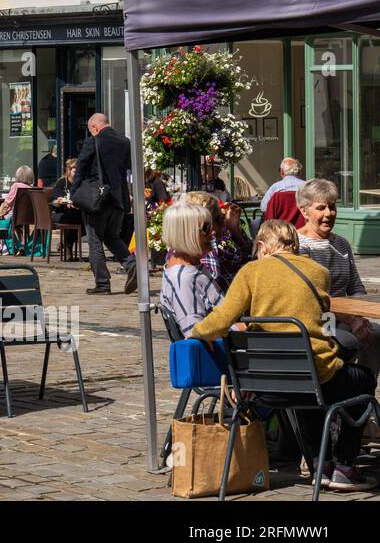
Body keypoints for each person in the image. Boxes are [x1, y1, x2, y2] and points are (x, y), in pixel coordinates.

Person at [190, 219, 379, 492]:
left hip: (262, 384)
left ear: (263, 246)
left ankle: (319, 464)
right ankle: (344, 467)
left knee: (309, 384)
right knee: (360, 380)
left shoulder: (250, 272)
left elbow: (222, 319)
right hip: (313, 378)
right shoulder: (318, 272)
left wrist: (196, 332)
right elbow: (322, 311)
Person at [295, 178, 379, 374]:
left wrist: (359, 318)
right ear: (303, 211)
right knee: (344, 341)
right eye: (321, 207)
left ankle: (362, 390)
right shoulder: (297, 245)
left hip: (344, 319)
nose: (328, 214)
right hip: (317, 322)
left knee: (376, 334)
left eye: (332, 207)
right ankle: (337, 391)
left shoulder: (341, 244)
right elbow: (312, 298)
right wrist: (352, 320)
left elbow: (356, 287)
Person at [73, 112, 137, 295]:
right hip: (118, 199)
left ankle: (102, 283)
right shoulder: (125, 142)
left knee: (95, 241)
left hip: (98, 199)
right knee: (112, 236)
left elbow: (81, 167)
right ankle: (131, 265)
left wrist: (75, 192)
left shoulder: (93, 141)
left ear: (94, 127)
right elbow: (128, 168)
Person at [159, 202, 223, 337]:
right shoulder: (183, 279)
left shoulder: (192, 266)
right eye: (206, 228)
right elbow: (195, 333)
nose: (213, 232)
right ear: (187, 233)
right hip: (224, 351)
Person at [184, 190, 251, 292]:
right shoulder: (202, 246)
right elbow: (214, 276)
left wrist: (235, 231)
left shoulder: (222, 238)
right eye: (220, 219)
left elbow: (249, 260)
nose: (223, 223)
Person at [50, 158, 82, 226]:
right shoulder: (62, 182)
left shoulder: (82, 183)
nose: (77, 174)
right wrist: (59, 199)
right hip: (63, 212)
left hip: (77, 212)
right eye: (75, 172)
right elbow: (54, 198)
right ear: (69, 171)